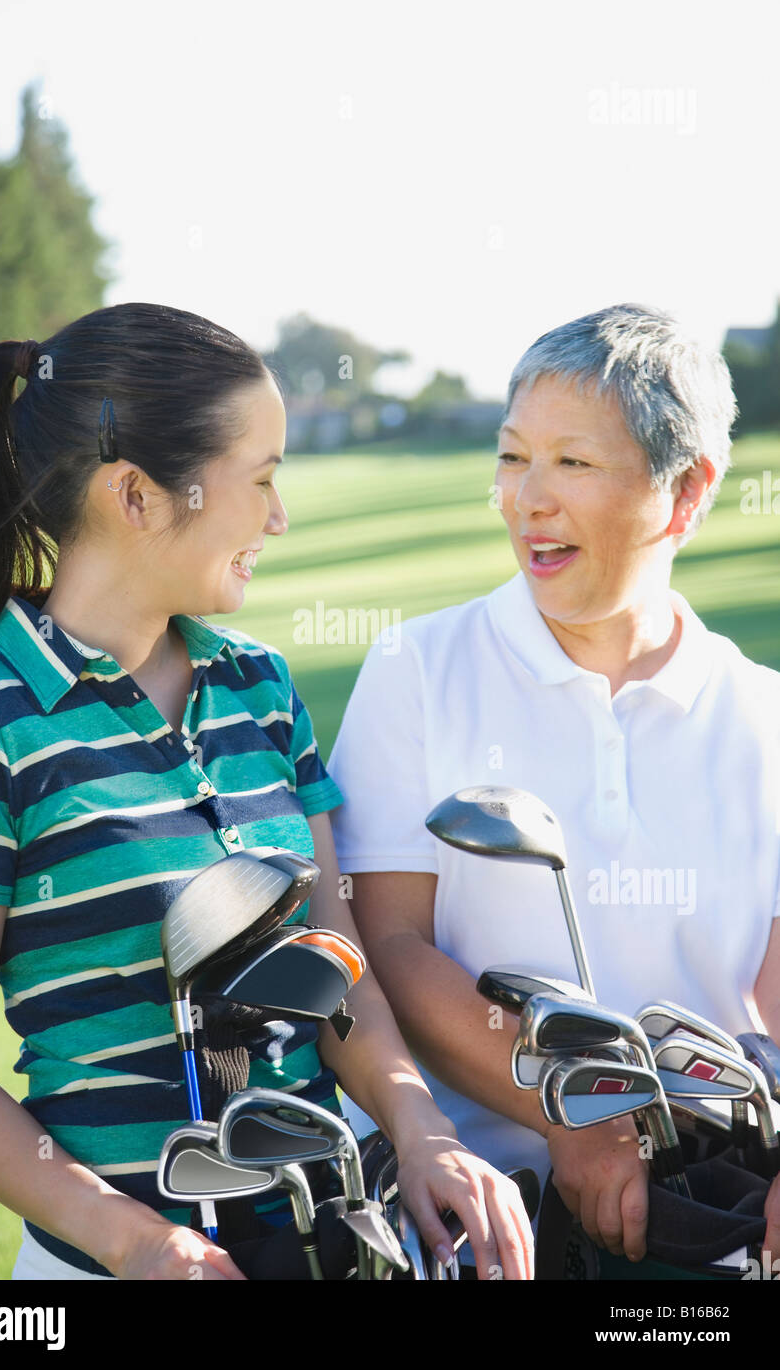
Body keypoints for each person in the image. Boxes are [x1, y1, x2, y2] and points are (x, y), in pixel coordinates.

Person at [0, 302, 533, 1281]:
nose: (278, 517)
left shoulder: (260, 685)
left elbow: (342, 963)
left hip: (330, 1244)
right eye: (261, 480)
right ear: (137, 495)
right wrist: (136, 1241)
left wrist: (420, 1130)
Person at [327, 303, 780, 1265]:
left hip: (717, 1209)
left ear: (688, 492)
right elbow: (387, 940)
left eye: (572, 464)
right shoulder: (418, 668)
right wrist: (571, 1112)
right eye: (511, 457)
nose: (527, 498)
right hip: (489, 1224)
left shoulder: (762, 713)